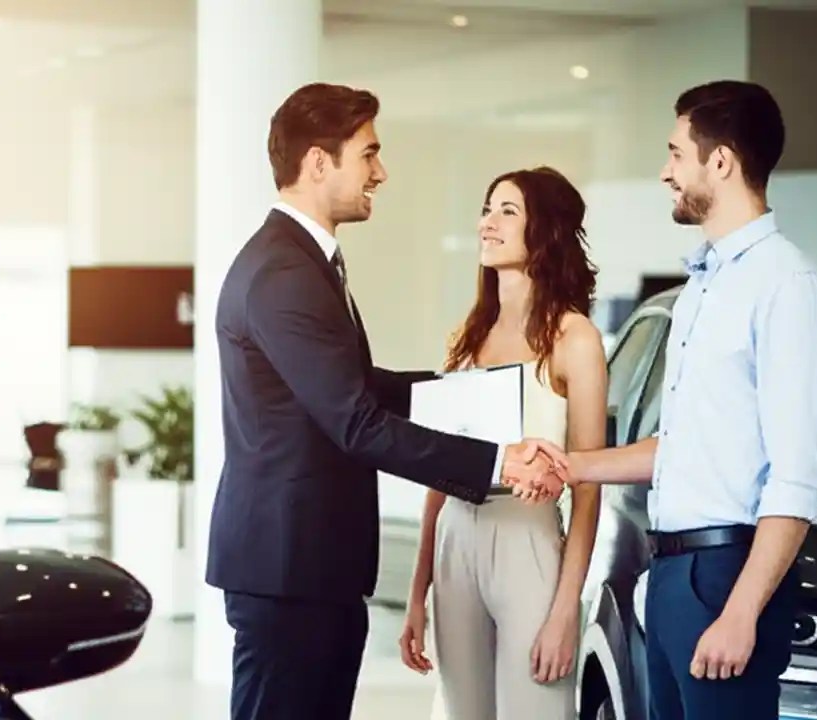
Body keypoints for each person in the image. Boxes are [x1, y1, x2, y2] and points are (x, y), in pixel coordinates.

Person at [205, 82, 567, 720]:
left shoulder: (301, 262)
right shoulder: (285, 271)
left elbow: (351, 384)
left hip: (309, 567)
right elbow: (356, 422)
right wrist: (496, 461)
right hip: (289, 570)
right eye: (368, 154)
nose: (381, 172)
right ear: (319, 162)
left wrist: (461, 390)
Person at [560, 80, 817, 719]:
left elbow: (797, 477)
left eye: (675, 153)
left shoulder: (790, 289)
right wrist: (571, 465)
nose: (665, 173)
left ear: (720, 161)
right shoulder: (702, 287)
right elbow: (684, 446)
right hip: (672, 575)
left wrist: (741, 611)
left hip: (728, 575)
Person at [398, 167, 607, 719]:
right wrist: (417, 594)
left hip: (526, 540)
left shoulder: (574, 338)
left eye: (507, 211)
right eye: (486, 209)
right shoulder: (466, 338)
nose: (487, 223)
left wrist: (565, 612)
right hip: (454, 541)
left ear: (546, 232)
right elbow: (438, 472)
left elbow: (588, 488)